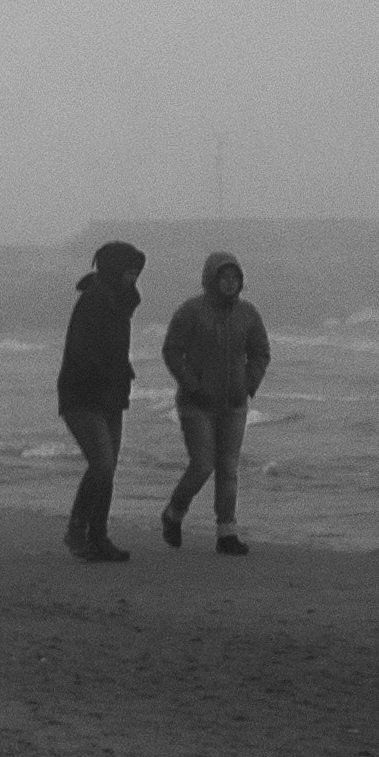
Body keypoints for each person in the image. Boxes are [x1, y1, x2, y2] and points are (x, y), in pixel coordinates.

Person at [157, 250, 270, 555]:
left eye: (235, 278)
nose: (230, 283)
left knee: (229, 467)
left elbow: (261, 353)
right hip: (197, 403)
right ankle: (173, 514)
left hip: (234, 404)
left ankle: (226, 532)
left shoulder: (248, 314)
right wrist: (192, 386)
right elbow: (171, 351)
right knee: (203, 465)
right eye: (224, 277)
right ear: (212, 278)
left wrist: (248, 384)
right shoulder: (191, 311)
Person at [54, 239, 143, 563]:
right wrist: (107, 371)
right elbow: (83, 350)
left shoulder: (118, 302)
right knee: (103, 464)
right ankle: (79, 532)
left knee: (106, 468)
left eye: (137, 273)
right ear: (114, 270)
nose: (133, 279)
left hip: (111, 395)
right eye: (129, 271)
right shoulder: (95, 300)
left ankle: (97, 535)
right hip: (83, 394)